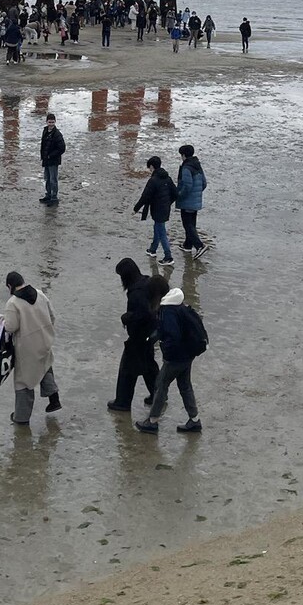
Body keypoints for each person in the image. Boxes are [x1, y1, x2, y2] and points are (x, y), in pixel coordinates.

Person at [135, 277, 204, 434]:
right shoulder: (178, 305)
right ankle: (194, 420)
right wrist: (152, 338)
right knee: (185, 386)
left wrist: (166, 352)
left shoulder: (167, 311)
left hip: (176, 358)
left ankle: (152, 422)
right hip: (188, 355)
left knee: (161, 385)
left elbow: (172, 335)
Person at [0, 271, 61, 425]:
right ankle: (54, 399)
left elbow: (10, 327)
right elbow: (52, 316)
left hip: (27, 348)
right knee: (45, 366)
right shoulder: (40, 294)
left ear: (10, 286)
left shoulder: (13, 303)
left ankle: (21, 417)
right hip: (44, 341)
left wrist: (0, 319)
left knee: (23, 381)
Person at [107, 258, 159, 413]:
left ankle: (123, 402)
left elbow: (143, 313)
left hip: (139, 336)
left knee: (127, 370)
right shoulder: (146, 282)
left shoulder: (136, 293)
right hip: (151, 333)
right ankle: (158, 394)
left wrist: (127, 317)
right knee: (148, 365)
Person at [133, 154, 177, 265]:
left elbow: (145, 196)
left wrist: (136, 209)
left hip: (157, 209)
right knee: (157, 227)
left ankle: (168, 256)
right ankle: (153, 249)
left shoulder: (153, 180)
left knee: (161, 231)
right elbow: (175, 194)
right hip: (165, 208)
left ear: (152, 166)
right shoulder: (168, 178)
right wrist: (168, 203)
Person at [176, 144, 208, 255]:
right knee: (191, 224)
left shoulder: (186, 168)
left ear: (183, 155)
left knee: (187, 224)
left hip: (187, 202)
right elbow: (204, 183)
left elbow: (187, 186)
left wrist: (179, 195)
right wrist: (197, 194)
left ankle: (200, 246)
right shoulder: (197, 165)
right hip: (196, 201)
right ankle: (187, 245)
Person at [39, 112, 65, 206]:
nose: (51, 124)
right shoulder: (45, 131)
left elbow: (62, 148)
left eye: (52, 122)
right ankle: (48, 195)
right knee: (47, 178)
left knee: (53, 180)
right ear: (46, 122)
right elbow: (43, 145)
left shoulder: (57, 134)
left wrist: (51, 155)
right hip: (46, 160)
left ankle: (54, 198)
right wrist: (43, 156)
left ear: (55, 122)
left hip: (53, 161)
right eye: (49, 122)